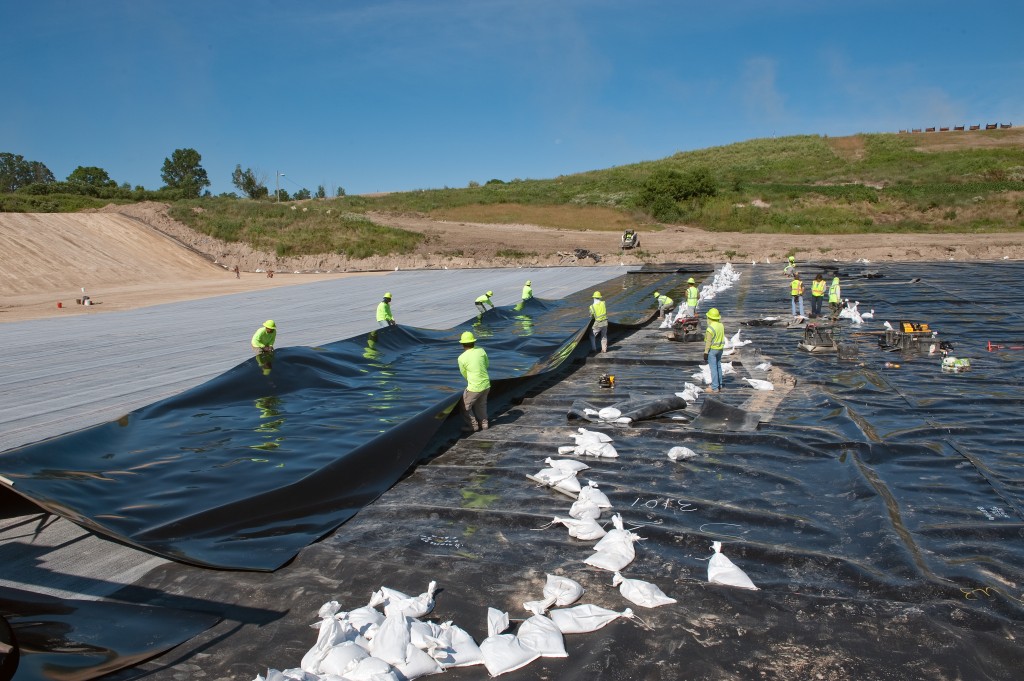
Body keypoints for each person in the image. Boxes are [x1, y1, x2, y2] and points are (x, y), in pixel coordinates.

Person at [458, 331, 490, 432]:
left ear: (462, 344)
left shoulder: (461, 358)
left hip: (475, 387)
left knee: (465, 406)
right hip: (486, 384)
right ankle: (484, 424)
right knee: (481, 404)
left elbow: (464, 374)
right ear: (473, 342)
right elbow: (486, 365)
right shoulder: (481, 351)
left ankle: (473, 426)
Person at [703, 308, 726, 392]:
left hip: (712, 350)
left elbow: (708, 342)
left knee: (713, 369)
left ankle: (715, 388)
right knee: (718, 366)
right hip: (720, 349)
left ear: (709, 318)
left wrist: (706, 352)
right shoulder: (721, 325)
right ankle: (720, 385)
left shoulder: (710, 328)